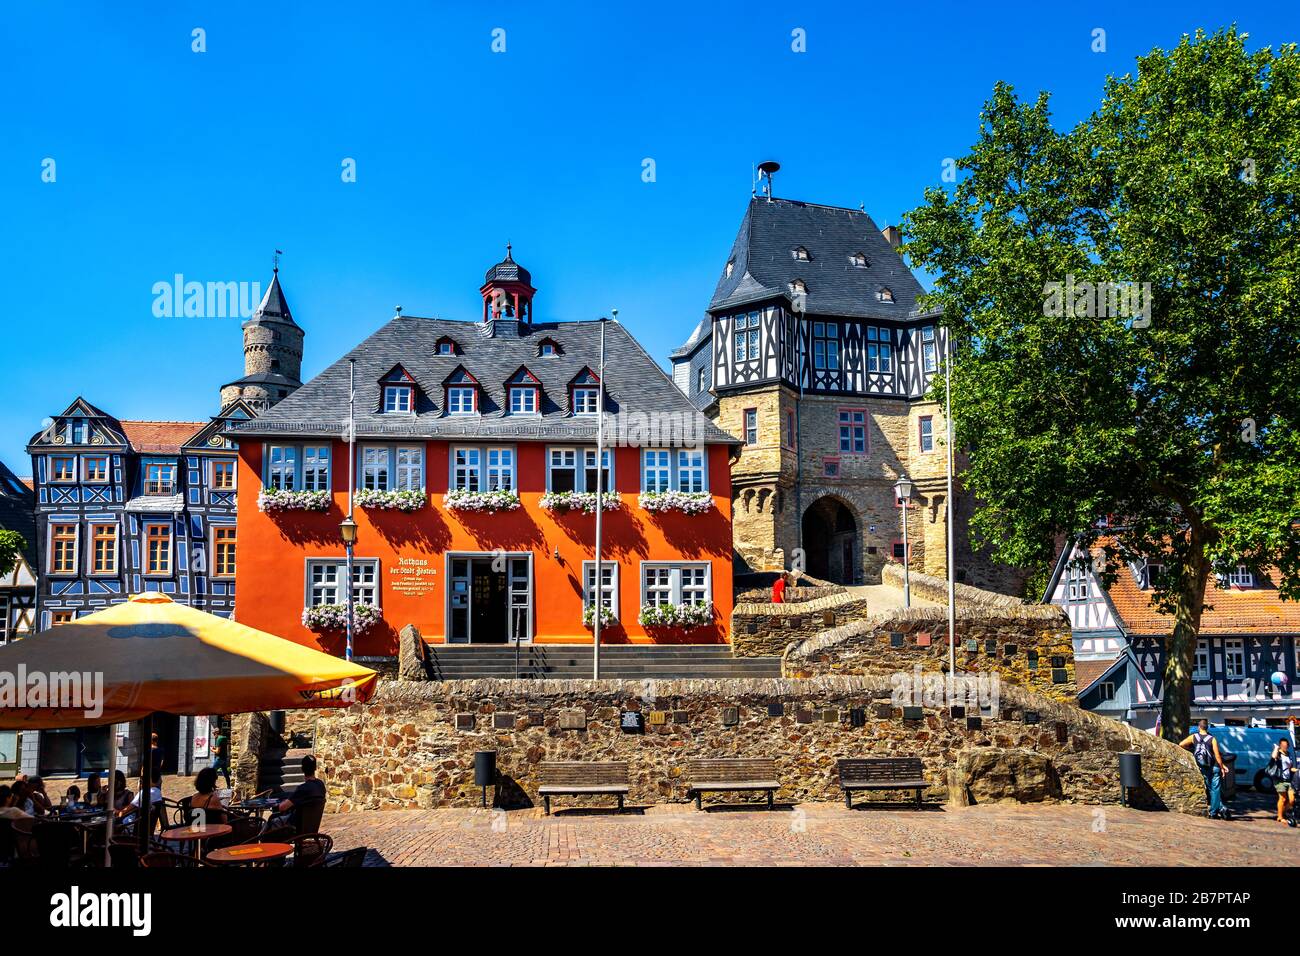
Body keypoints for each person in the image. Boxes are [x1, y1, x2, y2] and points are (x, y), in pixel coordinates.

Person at [1180, 719, 1229, 819]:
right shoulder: (1212, 739)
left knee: (1211, 789)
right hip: (1214, 766)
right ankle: (1215, 812)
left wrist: (1192, 750)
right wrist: (1222, 767)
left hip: (1204, 766)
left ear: (1199, 727)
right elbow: (1217, 755)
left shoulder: (1194, 737)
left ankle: (1218, 809)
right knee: (1215, 789)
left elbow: (1181, 744)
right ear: (1207, 728)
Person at [270, 755, 325, 834]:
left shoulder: (303, 789)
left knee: (273, 820)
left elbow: (282, 807)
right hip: (311, 825)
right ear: (315, 768)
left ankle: (269, 845)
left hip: (296, 826)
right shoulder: (320, 785)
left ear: (302, 769)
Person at [1269, 737, 1296, 825]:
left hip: (1289, 780)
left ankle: (1282, 811)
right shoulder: (1278, 754)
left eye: (1286, 745)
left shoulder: (1289, 754)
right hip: (1280, 779)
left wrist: (1296, 770)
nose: (1285, 747)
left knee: (1292, 800)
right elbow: (1273, 757)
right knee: (1283, 798)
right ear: (1280, 745)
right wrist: (1276, 749)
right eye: (1283, 745)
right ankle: (1280, 817)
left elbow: (1290, 767)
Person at [211, 722, 231, 789]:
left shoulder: (219, 739)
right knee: (225, 773)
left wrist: (212, 749)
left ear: (216, 733)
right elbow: (222, 748)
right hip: (224, 759)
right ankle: (229, 786)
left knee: (212, 772)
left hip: (219, 759)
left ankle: (212, 786)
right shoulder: (224, 738)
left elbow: (217, 751)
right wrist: (215, 748)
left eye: (214, 734)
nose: (214, 736)